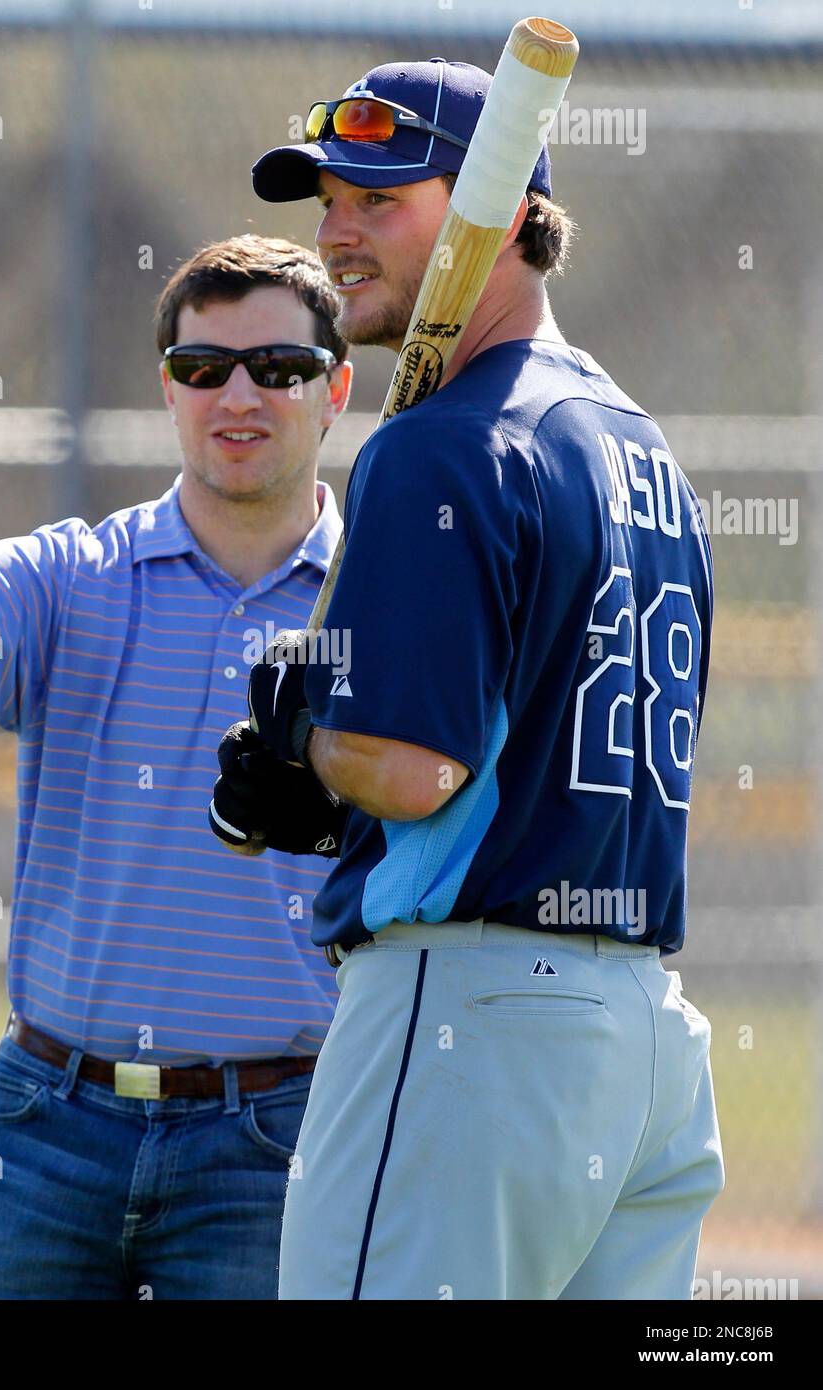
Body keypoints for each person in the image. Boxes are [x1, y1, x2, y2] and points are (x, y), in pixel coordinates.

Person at [210, 59, 725, 1300]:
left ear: (497, 214)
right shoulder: (640, 446)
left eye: (380, 198)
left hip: (470, 1020)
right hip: (645, 1043)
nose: (335, 230)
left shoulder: (439, 446)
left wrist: (309, 729)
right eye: (328, 198)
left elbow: (410, 763)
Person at [0, 234, 354, 1300]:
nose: (237, 393)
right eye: (204, 369)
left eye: (277, 370)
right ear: (169, 390)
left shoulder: (384, 605)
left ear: (334, 389)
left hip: (277, 1139)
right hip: (44, 1121)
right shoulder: (74, 573)